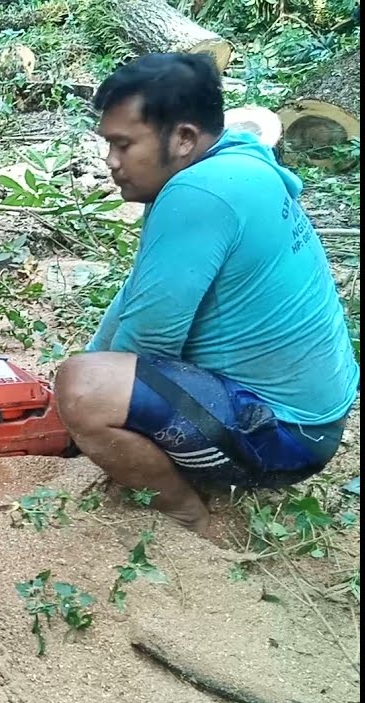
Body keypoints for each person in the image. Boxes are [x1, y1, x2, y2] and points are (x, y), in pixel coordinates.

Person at [53, 53, 359, 534]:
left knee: (84, 388)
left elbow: (147, 339)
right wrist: (92, 367)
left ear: (184, 138)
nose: (111, 161)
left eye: (123, 144)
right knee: (88, 377)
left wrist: (78, 414)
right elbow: (138, 298)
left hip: (288, 436)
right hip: (315, 415)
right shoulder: (237, 162)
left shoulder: (200, 194)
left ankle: (187, 515)